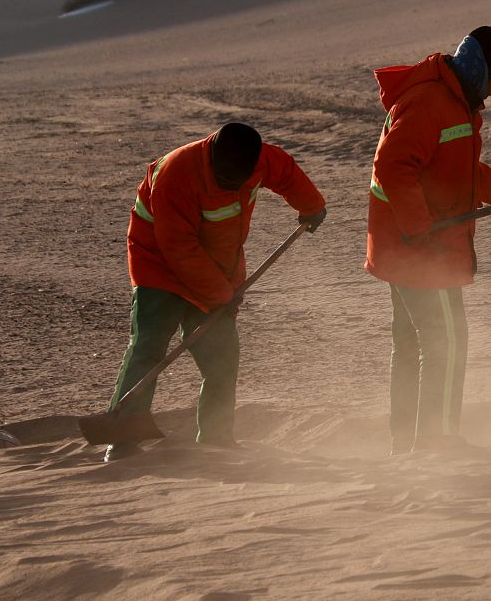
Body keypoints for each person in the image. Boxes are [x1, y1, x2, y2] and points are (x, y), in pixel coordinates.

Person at [104, 122, 326, 462]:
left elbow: (285, 173)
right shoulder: (177, 174)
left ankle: (216, 438)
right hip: (159, 268)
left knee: (222, 355)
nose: (232, 187)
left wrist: (311, 205)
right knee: (148, 347)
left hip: (218, 267)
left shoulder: (259, 158)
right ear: (212, 160)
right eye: (225, 181)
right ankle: (122, 438)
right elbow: (179, 249)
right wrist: (222, 293)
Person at [365, 26, 491, 454]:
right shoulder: (431, 103)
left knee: (413, 341)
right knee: (445, 338)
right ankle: (436, 439)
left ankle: (406, 438)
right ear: (477, 68)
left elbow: (459, 174)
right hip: (420, 249)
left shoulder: (453, 103)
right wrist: (418, 227)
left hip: (405, 245)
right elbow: (392, 165)